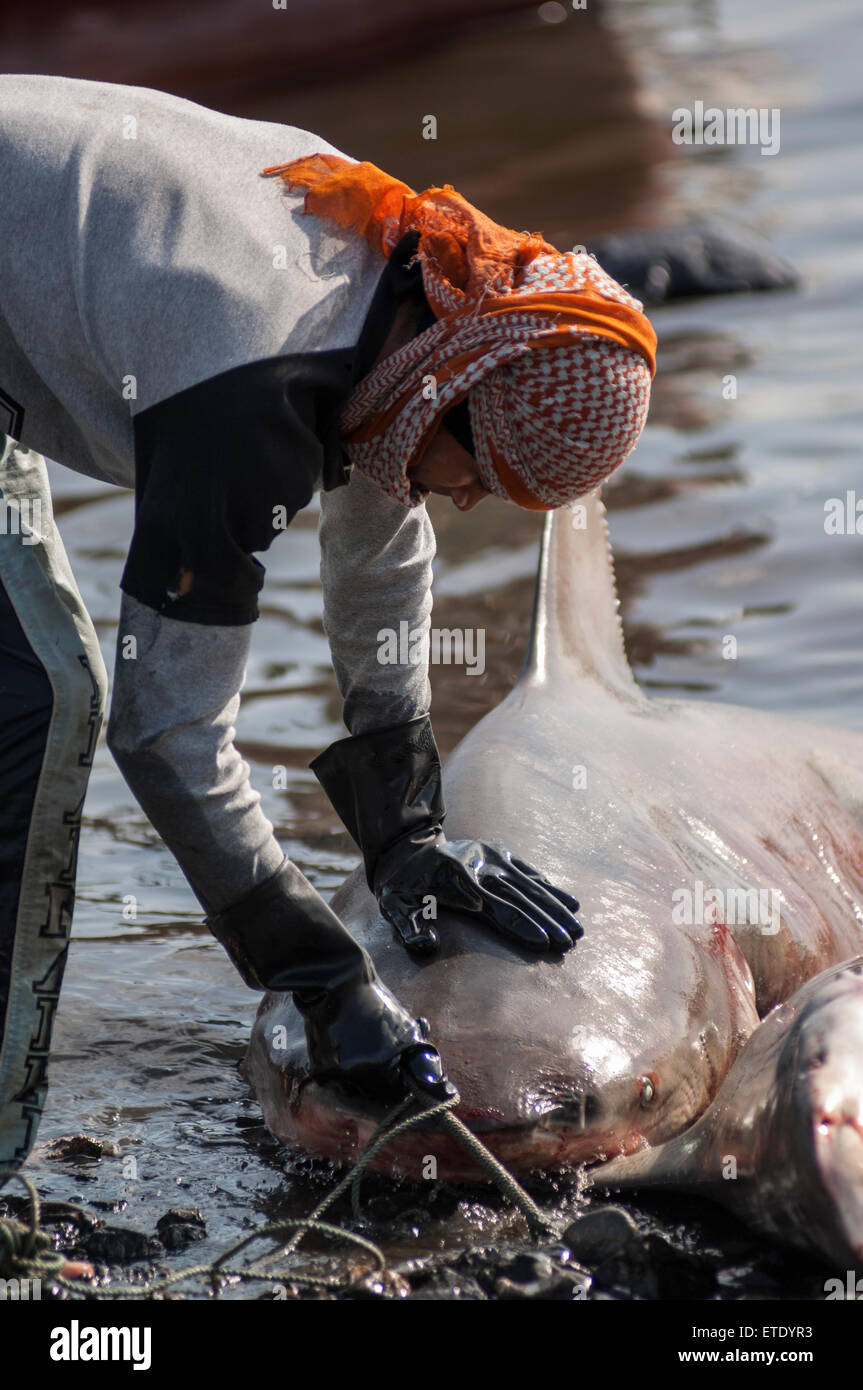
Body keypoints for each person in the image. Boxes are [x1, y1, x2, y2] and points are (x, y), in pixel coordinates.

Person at [0, 74, 655, 1180]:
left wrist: (404, 832)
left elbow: (380, 536)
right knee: (40, 701)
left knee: (43, 680)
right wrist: (316, 974)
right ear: (452, 380)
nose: (456, 501)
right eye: (475, 477)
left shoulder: (404, 286)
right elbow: (165, 735)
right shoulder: (249, 390)